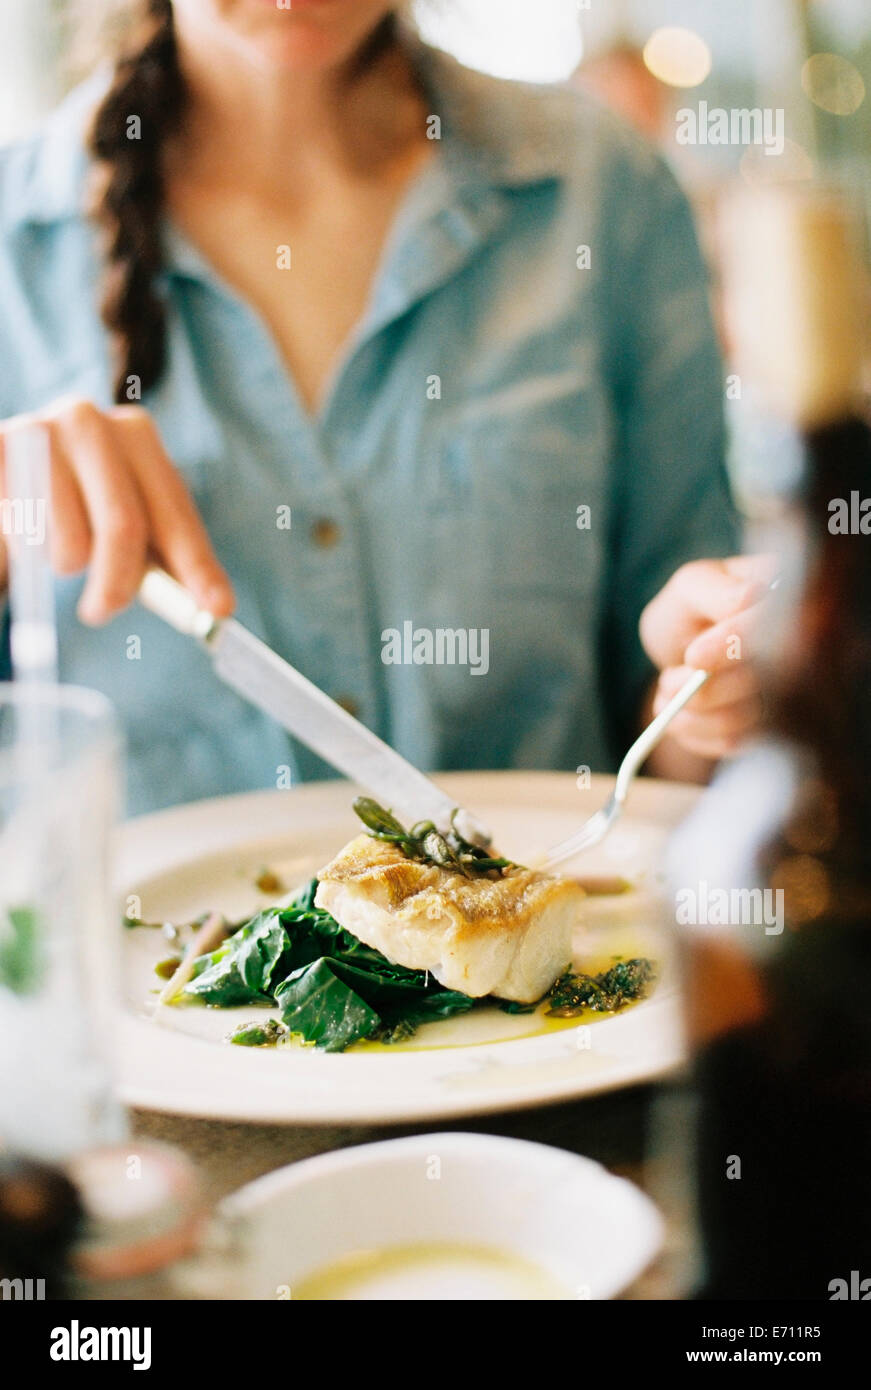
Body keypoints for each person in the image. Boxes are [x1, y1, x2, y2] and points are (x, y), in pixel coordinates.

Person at [0, 0, 767, 815]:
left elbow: (676, 750)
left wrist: (711, 696)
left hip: (556, 929)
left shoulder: (604, 192)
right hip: (149, 943)